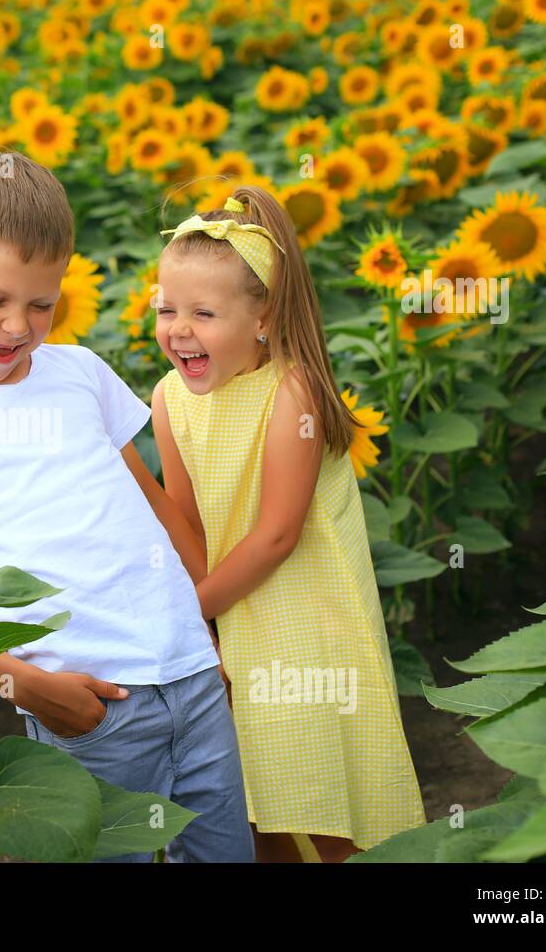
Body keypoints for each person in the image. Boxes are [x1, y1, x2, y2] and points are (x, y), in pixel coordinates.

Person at [0, 151, 253, 862]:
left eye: (41, 304)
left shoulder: (78, 372)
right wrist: (31, 687)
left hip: (190, 675)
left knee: (226, 854)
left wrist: (211, 624)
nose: (17, 326)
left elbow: (155, 507)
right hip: (91, 702)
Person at [150, 185, 427, 862]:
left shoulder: (291, 391)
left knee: (318, 785)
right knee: (255, 796)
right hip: (231, 612)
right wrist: (205, 627)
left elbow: (277, 536)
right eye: (166, 310)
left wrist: (189, 613)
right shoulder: (168, 399)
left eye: (204, 313)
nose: (178, 328)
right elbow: (187, 521)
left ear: (264, 316)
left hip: (306, 618)